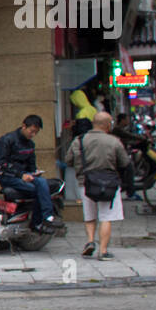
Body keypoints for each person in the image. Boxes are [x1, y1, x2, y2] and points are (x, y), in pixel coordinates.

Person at [65, 111, 131, 260]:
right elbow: (125, 162)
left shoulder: (79, 140)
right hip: (109, 184)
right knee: (106, 217)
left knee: (89, 215)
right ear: (108, 125)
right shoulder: (114, 141)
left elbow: (68, 160)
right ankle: (103, 250)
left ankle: (90, 241)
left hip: (85, 183)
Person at [0, 114, 63, 233]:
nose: (33, 135)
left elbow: (31, 164)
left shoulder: (30, 144)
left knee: (41, 182)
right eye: (31, 131)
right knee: (39, 189)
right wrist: (20, 175)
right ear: (24, 126)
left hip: (25, 176)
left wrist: (35, 172)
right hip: (9, 177)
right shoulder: (7, 140)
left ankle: (47, 217)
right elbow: (1, 165)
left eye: (36, 133)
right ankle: (39, 222)